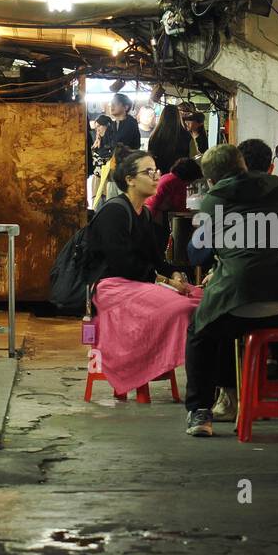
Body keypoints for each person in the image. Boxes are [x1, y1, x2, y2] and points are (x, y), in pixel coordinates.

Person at [181, 144, 278, 437]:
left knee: (201, 330)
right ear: (244, 166)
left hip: (243, 305)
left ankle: (200, 411)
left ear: (210, 180)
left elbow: (197, 256)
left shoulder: (214, 200)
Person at [85, 149, 202, 398]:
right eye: (148, 172)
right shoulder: (114, 212)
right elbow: (122, 264)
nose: (156, 176)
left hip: (136, 283)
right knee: (179, 307)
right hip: (110, 286)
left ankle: (165, 363)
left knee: (198, 297)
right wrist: (164, 281)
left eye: (156, 171)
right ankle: (148, 363)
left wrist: (176, 274)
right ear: (129, 179)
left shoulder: (145, 214)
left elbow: (155, 259)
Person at [146, 103, 192, 178]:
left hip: (160, 175)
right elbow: (191, 156)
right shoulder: (186, 135)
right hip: (180, 175)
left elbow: (151, 157)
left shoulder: (154, 136)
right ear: (178, 117)